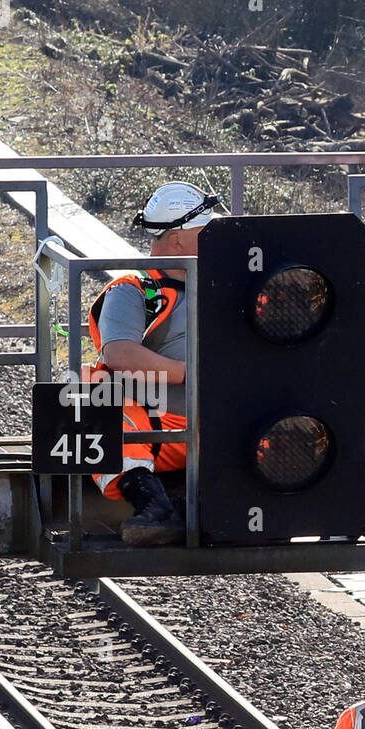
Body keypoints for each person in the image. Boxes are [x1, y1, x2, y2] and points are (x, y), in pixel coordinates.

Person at [87, 183, 223, 545]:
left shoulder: (227, 286)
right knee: (90, 408)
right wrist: (189, 375)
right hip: (156, 427)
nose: (214, 236)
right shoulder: (133, 290)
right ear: (177, 240)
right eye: (204, 230)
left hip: (222, 424)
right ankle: (153, 504)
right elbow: (119, 354)